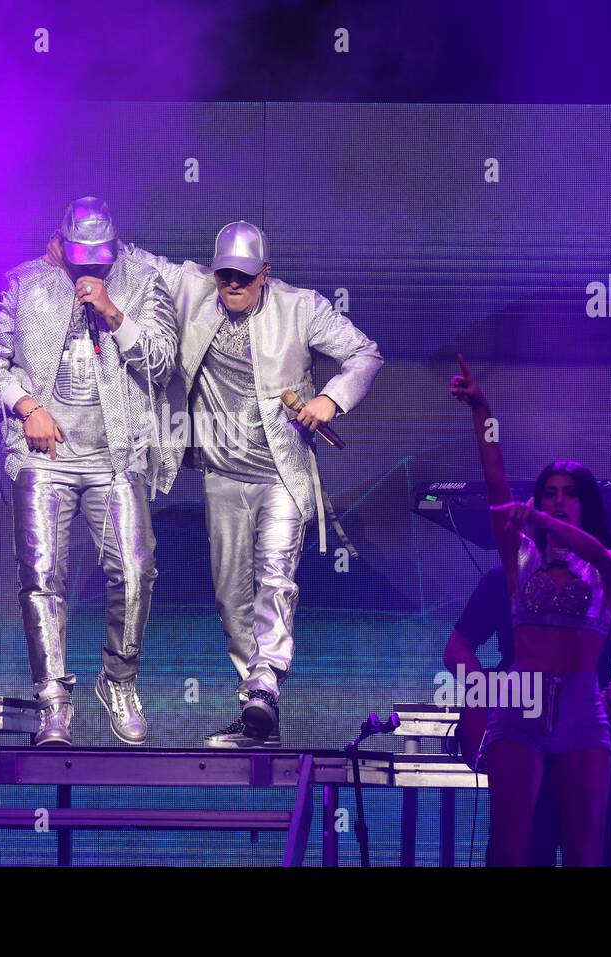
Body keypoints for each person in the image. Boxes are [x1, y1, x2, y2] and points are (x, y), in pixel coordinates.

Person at [57, 221, 382, 747]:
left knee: (275, 578)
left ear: (265, 274)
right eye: (225, 274)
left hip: (279, 472)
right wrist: (82, 233)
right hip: (221, 475)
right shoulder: (193, 287)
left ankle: (266, 687)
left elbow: (365, 354)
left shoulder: (302, 308)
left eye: (244, 276)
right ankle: (254, 702)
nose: (232, 283)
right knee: (232, 598)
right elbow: (139, 258)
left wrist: (330, 399)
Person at [0, 197, 178, 746]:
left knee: (136, 572)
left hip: (116, 456)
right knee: (42, 579)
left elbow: (162, 361)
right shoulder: (23, 282)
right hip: (45, 458)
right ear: (58, 244)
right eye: (80, 257)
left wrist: (114, 312)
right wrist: (25, 405)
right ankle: (53, 703)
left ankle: (119, 681)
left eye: (101, 259)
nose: (91, 269)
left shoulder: (142, 278)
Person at [450, 356, 611, 866]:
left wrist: (538, 517)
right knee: (512, 845)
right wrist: (481, 411)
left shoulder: (610, 563)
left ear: (585, 505)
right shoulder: (521, 560)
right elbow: (495, 486)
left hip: (582, 705)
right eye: (548, 494)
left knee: (585, 849)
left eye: (568, 495)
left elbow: (603, 556)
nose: (557, 502)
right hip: (521, 700)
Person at [445, 564, 611, 865]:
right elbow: (456, 649)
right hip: (520, 732)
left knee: (595, 844)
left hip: (585, 732)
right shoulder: (503, 577)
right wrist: (488, 692)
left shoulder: (608, 578)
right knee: (521, 843)